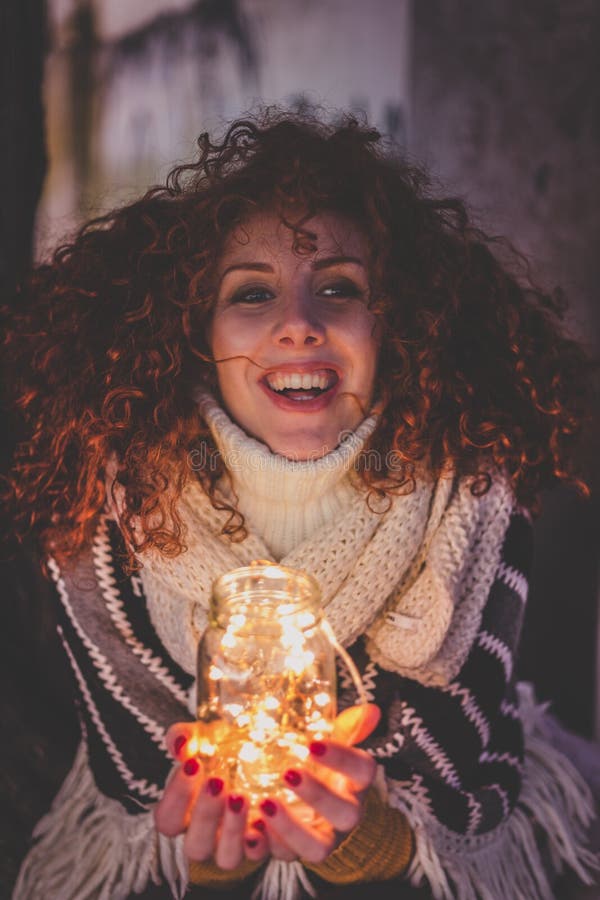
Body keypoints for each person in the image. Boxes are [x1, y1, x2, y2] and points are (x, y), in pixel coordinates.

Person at [2, 111, 598, 900]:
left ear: (395, 326)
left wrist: (379, 846)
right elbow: (124, 759)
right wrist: (202, 862)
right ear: (198, 333)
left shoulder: (477, 490)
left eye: (339, 288)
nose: (298, 325)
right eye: (252, 293)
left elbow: (464, 761)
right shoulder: (107, 508)